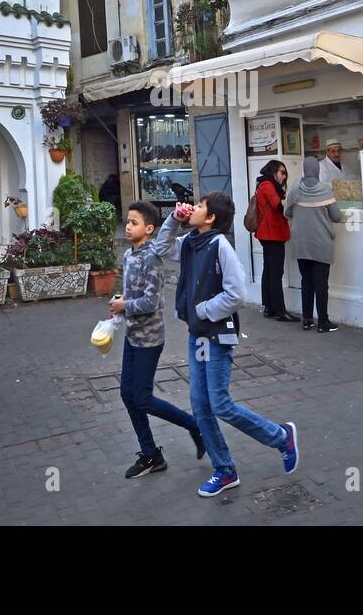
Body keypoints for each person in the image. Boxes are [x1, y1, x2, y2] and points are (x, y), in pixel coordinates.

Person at [157, 193, 299, 497]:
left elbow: (237, 293)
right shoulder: (191, 242)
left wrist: (204, 310)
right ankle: (224, 470)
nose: (193, 208)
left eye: (199, 206)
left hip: (218, 335)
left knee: (219, 403)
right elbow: (161, 249)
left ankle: (281, 436)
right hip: (198, 335)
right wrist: (172, 220)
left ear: (210, 218)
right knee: (200, 404)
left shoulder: (220, 245)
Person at [110, 201, 205, 479]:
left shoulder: (152, 257)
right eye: (127, 221)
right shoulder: (129, 255)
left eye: (134, 223)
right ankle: (150, 454)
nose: (128, 227)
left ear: (149, 229)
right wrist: (120, 303)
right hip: (132, 335)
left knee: (142, 397)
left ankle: (193, 425)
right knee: (128, 395)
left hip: (150, 339)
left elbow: (151, 301)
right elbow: (131, 293)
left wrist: (124, 305)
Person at [284, 156, 345, 332]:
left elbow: (288, 212)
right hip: (321, 243)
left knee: (306, 282)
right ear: (317, 170)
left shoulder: (295, 189)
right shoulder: (325, 189)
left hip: (301, 243)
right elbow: (337, 216)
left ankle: (307, 320)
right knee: (321, 283)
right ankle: (323, 322)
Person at [253, 159, 298, 322]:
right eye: (282, 173)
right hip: (272, 233)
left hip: (269, 233)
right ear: (273, 172)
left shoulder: (264, 184)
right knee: (275, 272)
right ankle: (280, 310)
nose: (284, 176)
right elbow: (278, 206)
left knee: (269, 271)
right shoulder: (267, 185)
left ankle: (269, 307)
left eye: (285, 173)